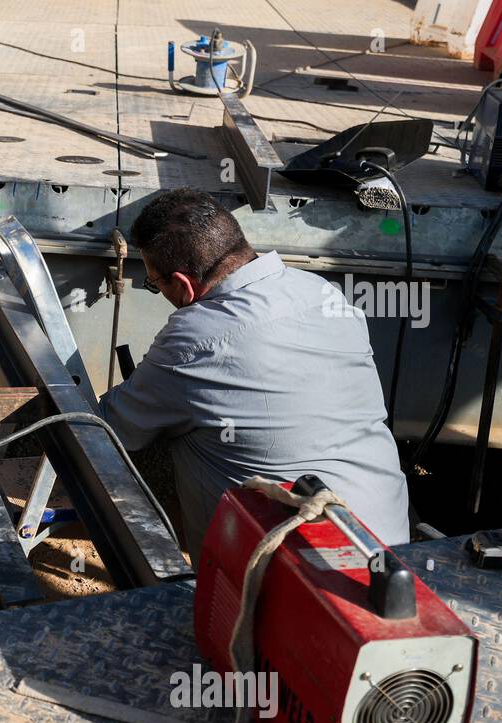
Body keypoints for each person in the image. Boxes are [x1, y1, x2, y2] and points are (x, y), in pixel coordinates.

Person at [99, 188, 409, 560]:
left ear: (182, 284)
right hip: (388, 550)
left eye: (155, 283)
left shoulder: (197, 336)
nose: (158, 291)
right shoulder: (320, 291)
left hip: (292, 579)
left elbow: (110, 430)